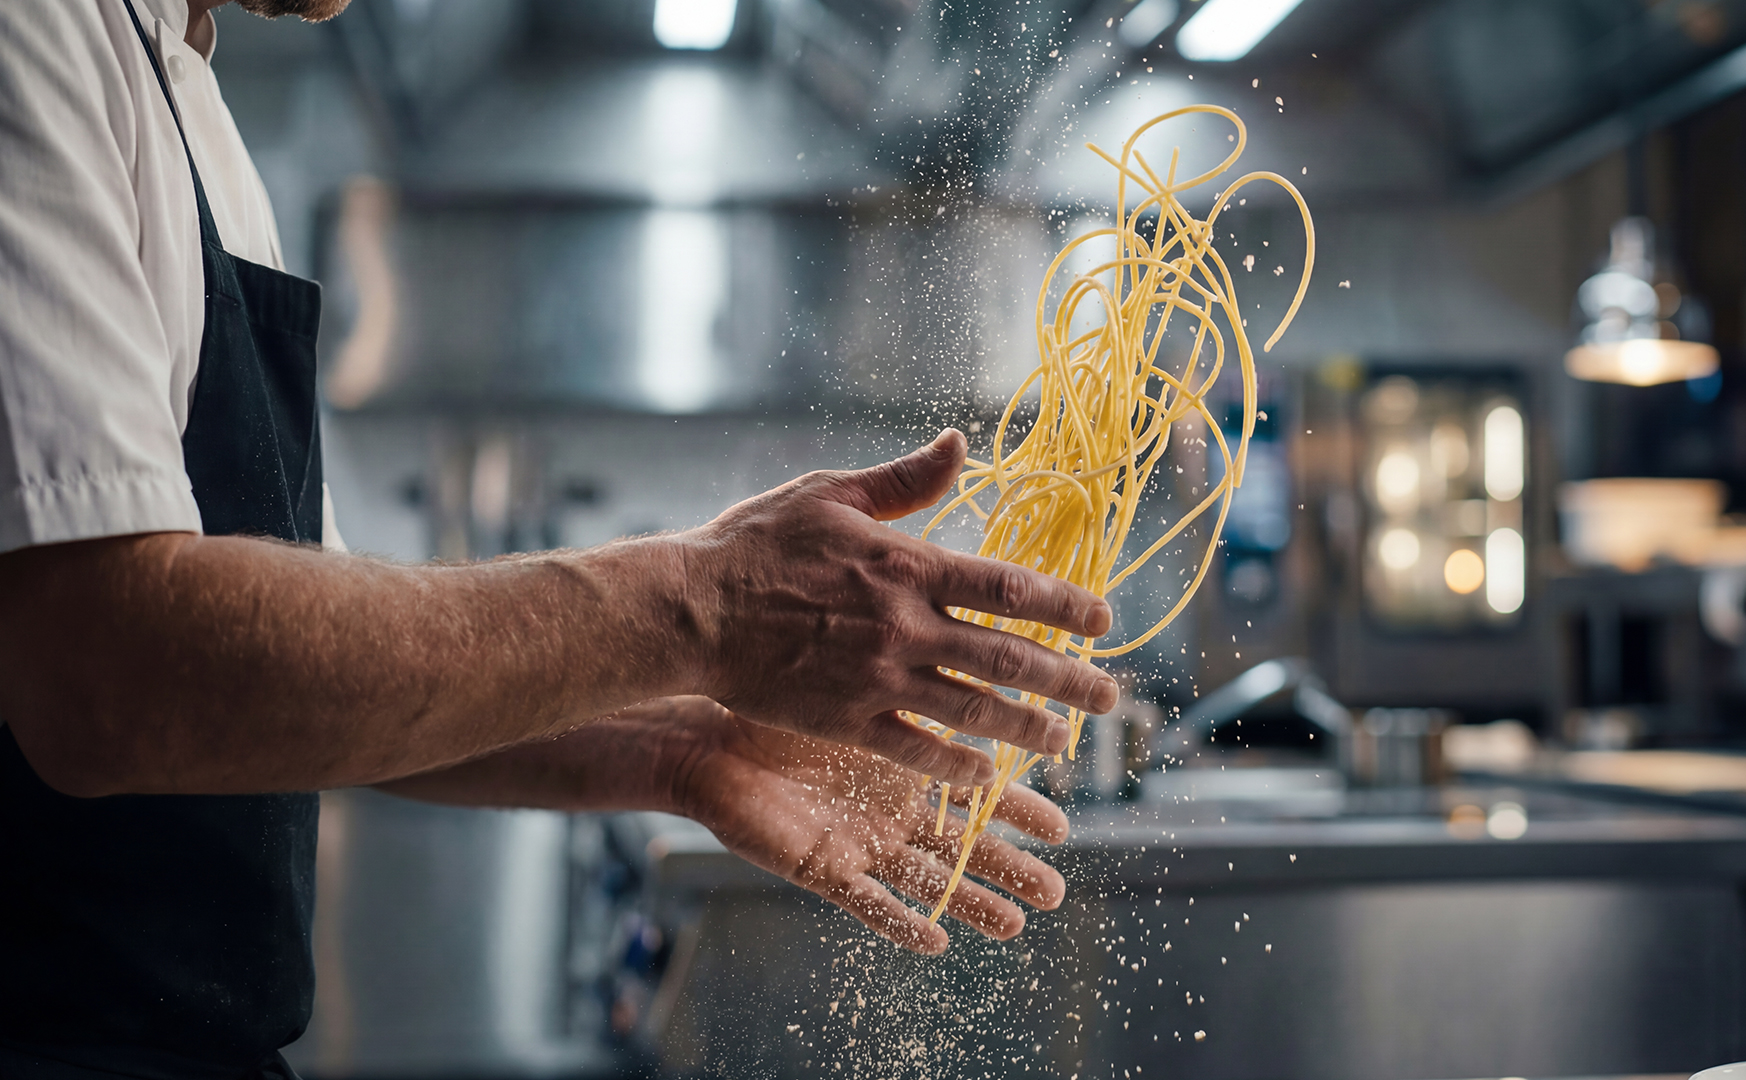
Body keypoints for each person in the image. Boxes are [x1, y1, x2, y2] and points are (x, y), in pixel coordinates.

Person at [0, 0, 1120, 1075]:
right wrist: (706, 607)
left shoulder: (194, 102)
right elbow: (112, 667)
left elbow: (304, 656)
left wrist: (684, 746)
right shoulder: (36, 32)